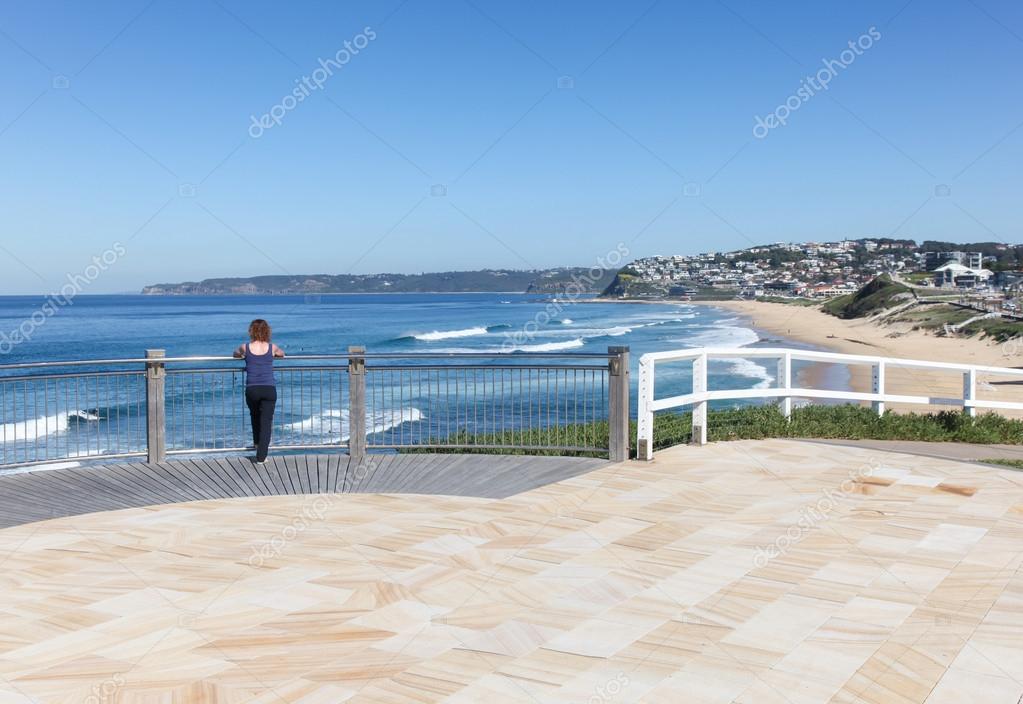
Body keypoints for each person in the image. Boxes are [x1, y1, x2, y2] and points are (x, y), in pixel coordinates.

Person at [233, 319, 285, 464]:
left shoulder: (245, 347)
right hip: (269, 389)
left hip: (252, 389)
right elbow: (282, 354)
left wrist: (242, 356)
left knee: (255, 416)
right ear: (267, 331)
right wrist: (275, 354)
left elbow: (235, 354)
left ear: (251, 331)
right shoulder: (271, 347)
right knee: (266, 422)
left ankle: (256, 444)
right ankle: (261, 457)